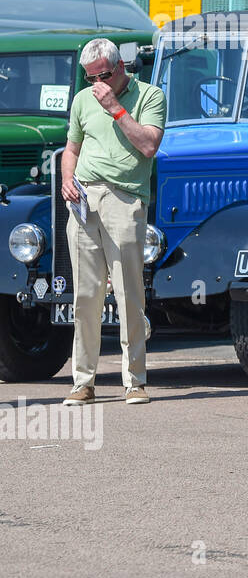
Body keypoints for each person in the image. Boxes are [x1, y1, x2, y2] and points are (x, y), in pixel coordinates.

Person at [60, 38, 165, 406]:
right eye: (89, 78)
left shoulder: (151, 96)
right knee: (85, 296)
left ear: (120, 67)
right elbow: (71, 149)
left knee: (128, 293)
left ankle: (134, 380)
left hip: (124, 199)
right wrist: (66, 179)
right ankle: (82, 381)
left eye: (102, 75)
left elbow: (149, 145)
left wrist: (116, 108)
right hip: (84, 198)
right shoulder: (82, 100)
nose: (96, 85)